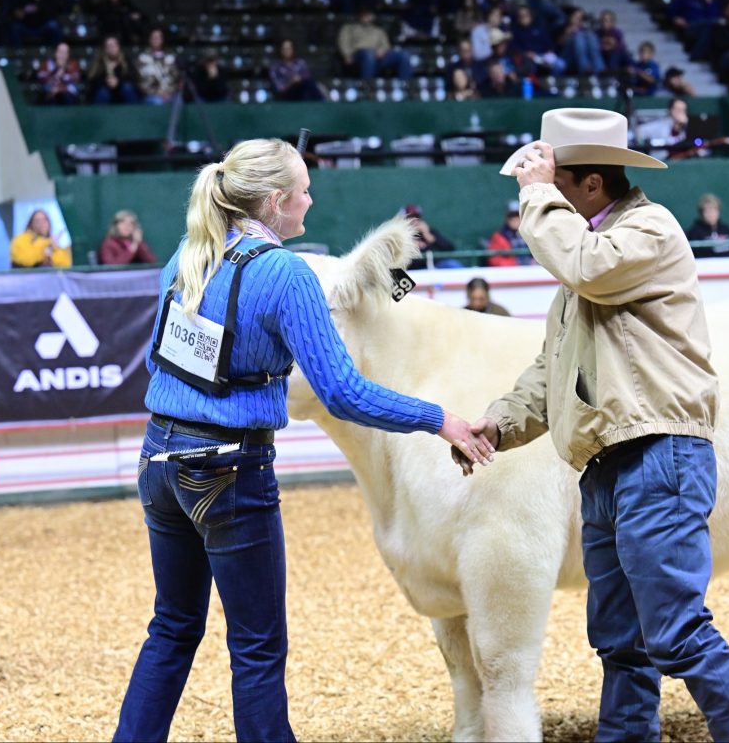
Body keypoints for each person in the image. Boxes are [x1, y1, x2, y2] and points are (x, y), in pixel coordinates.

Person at [113, 138, 493, 743]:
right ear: (273, 202)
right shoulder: (285, 275)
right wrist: (438, 417)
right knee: (258, 647)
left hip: (159, 458)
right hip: (230, 470)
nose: (311, 200)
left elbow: (163, 361)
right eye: (304, 190)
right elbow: (342, 392)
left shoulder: (189, 253)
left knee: (173, 626)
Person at [453, 108, 729, 742]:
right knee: (622, 642)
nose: (540, 199)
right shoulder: (587, 267)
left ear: (590, 185)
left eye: (556, 184)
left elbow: (583, 265)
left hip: (657, 455)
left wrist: (534, 196)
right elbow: (550, 370)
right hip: (611, 465)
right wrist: (499, 424)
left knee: (676, 632)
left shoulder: (646, 232)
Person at [337, 7, 412, 82]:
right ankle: (367, 86)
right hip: (358, 55)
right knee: (368, 54)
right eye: (364, 15)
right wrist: (347, 55)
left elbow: (385, 44)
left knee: (403, 54)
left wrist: (381, 51)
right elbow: (343, 42)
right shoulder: (349, 28)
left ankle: (405, 85)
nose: (367, 17)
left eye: (369, 15)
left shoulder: (379, 31)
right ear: (360, 16)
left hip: (377, 56)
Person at [404, 204, 462, 269]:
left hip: (438, 265)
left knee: (453, 264)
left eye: (417, 217)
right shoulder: (403, 236)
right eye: (410, 218)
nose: (414, 220)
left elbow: (450, 247)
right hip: (417, 268)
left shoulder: (429, 231)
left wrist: (428, 235)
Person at [86, 35, 139, 104]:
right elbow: (92, 81)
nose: (112, 48)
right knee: (103, 92)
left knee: (127, 87)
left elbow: (133, 78)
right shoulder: (99, 63)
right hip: (105, 94)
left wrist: (118, 82)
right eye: (109, 46)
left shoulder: (126, 61)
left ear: (118, 47)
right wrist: (106, 82)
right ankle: (98, 114)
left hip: (121, 94)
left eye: (114, 45)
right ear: (105, 49)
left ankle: (133, 113)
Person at [137, 27, 179, 105]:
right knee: (157, 102)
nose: (156, 40)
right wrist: (157, 93)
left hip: (170, 94)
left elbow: (176, 78)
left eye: (158, 38)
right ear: (149, 40)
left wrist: (169, 93)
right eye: (154, 38)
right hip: (152, 95)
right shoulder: (142, 58)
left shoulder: (171, 57)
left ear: (162, 40)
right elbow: (140, 81)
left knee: (179, 101)